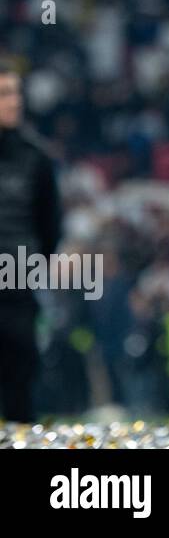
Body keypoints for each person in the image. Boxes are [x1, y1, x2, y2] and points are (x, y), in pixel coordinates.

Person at [0, 59, 62, 422]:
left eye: (16, 93)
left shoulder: (35, 157)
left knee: (20, 374)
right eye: (5, 94)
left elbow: (50, 224)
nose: (15, 101)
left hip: (17, 281)